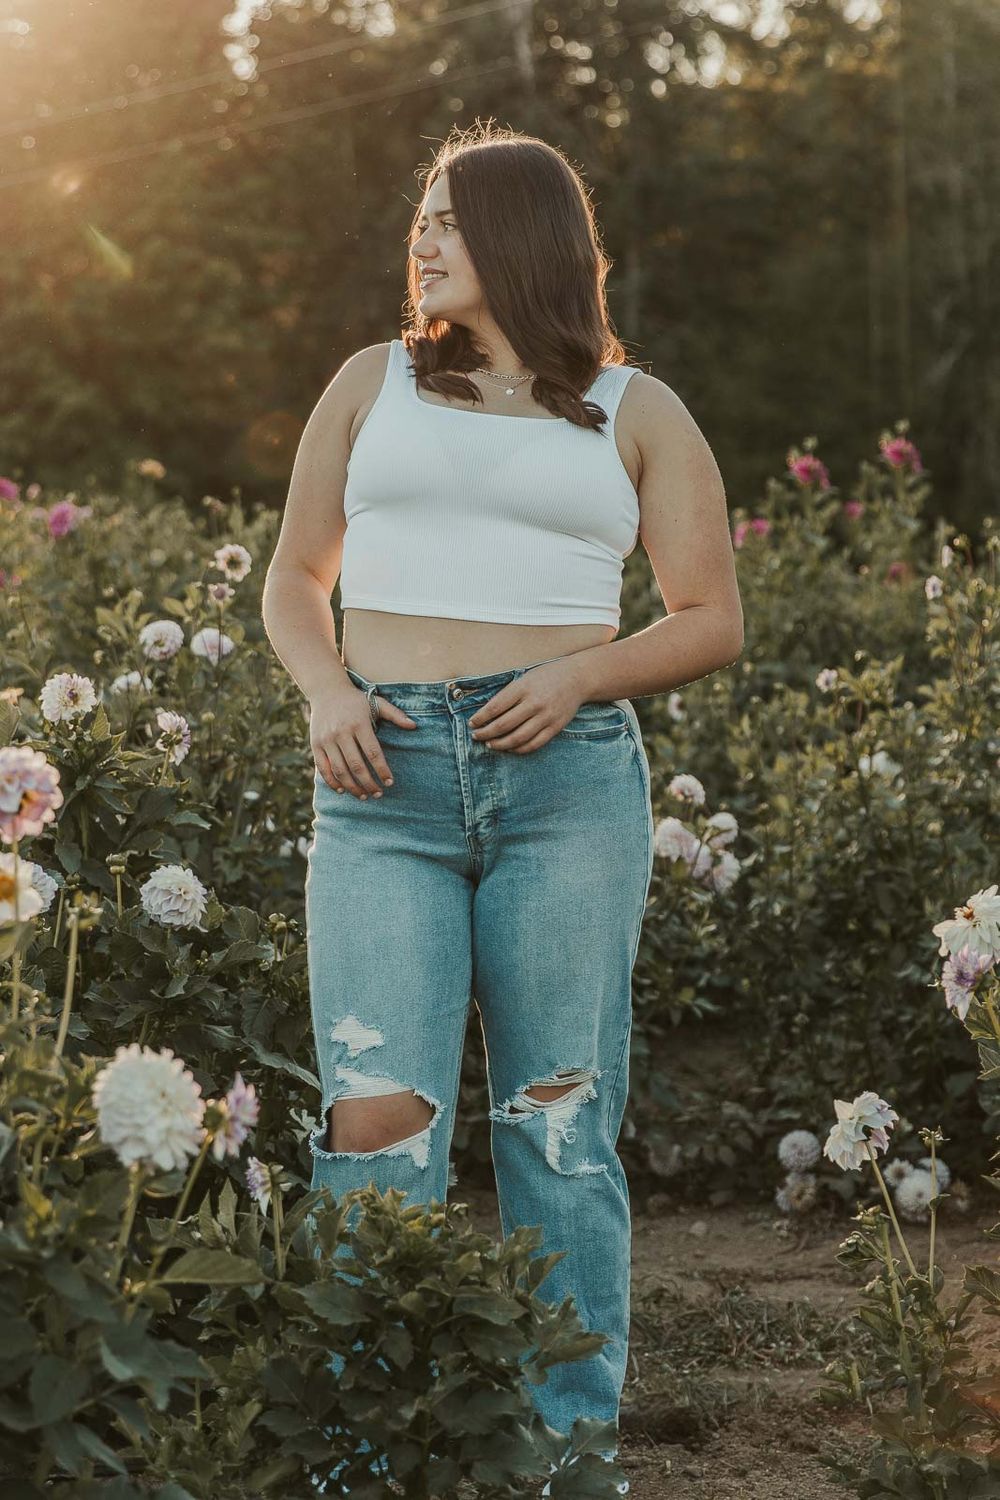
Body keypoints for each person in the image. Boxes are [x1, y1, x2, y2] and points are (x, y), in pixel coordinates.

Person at [261, 122, 743, 1490]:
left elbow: (711, 616)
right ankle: (358, 1455)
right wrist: (329, 691)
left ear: (524, 235)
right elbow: (296, 579)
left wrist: (584, 672)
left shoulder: (637, 409)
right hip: (382, 782)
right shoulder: (370, 386)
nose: (423, 237)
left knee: (556, 1128)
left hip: (565, 787)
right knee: (375, 1128)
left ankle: (562, 1455)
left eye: (452, 218)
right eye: (420, 215)